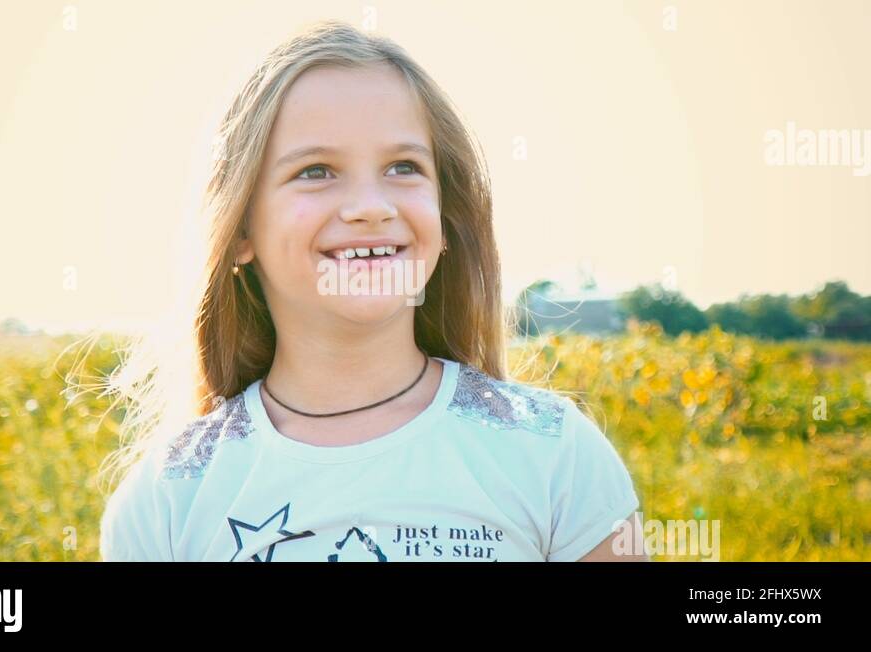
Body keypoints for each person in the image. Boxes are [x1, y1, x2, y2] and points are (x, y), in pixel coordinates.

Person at [98, 19, 645, 562]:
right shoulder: (167, 501)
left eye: (403, 167)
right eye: (316, 171)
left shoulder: (554, 456)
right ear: (241, 229)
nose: (371, 206)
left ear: (445, 215)